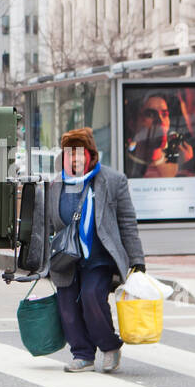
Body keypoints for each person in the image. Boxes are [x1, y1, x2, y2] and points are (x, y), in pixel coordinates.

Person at [48, 127, 146, 374]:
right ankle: (82, 354)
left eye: (80, 153)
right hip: (65, 257)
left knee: (92, 297)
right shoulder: (56, 183)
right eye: (70, 154)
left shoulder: (113, 180)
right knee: (68, 307)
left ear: (91, 154)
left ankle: (110, 346)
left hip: (99, 257)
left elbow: (126, 222)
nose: (76, 159)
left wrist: (137, 260)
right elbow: (45, 224)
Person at [124, 92, 195, 178]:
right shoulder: (123, 165)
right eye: (150, 115)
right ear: (132, 124)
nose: (161, 121)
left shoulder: (178, 164)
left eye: (164, 114)